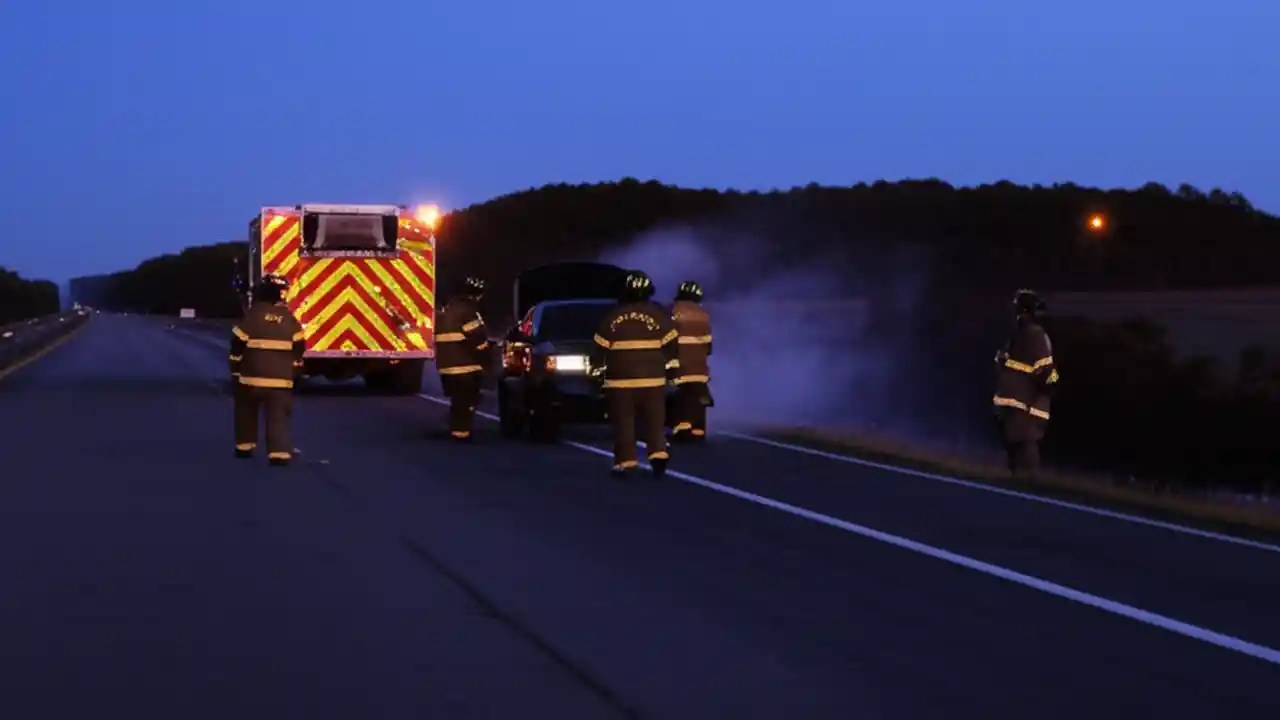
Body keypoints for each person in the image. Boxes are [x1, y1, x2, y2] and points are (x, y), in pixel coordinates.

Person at [593, 270, 680, 478]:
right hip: (653, 382)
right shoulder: (659, 317)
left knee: (624, 423)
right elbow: (672, 346)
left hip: (620, 384)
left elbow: (599, 350)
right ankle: (658, 453)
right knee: (655, 421)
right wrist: (671, 373)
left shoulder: (611, 318)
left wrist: (597, 374)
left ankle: (626, 461)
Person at [229, 274, 306, 466]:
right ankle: (279, 453)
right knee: (278, 416)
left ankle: (244, 446)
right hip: (280, 382)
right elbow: (299, 347)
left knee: (246, 411)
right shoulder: (289, 320)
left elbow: (237, 345)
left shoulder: (252, 317)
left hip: (250, 379)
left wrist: (236, 371)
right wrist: (294, 370)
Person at [992, 289, 1060, 481]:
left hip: (1027, 401)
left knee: (1025, 440)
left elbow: (1046, 370)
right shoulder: (1022, 335)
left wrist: (1048, 388)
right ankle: (1021, 480)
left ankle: (1028, 480)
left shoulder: (1031, 335)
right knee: (1017, 441)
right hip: (1017, 399)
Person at [435, 276, 490, 441]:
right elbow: (478, 338)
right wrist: (486, 355)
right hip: (466, 365)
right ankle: (462, 433)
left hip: (446, 365)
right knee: (466, 401)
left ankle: (457, 430)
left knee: (458, 400)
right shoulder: (468, 311)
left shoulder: (447, 310)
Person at [670, 280, 713, 443]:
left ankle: (682, 429)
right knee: (699, 395)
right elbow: (708, 346)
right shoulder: (703, 315)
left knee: (681, 398)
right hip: (700, 368)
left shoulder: (673, 311)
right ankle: (698, 430)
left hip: (680, 367)